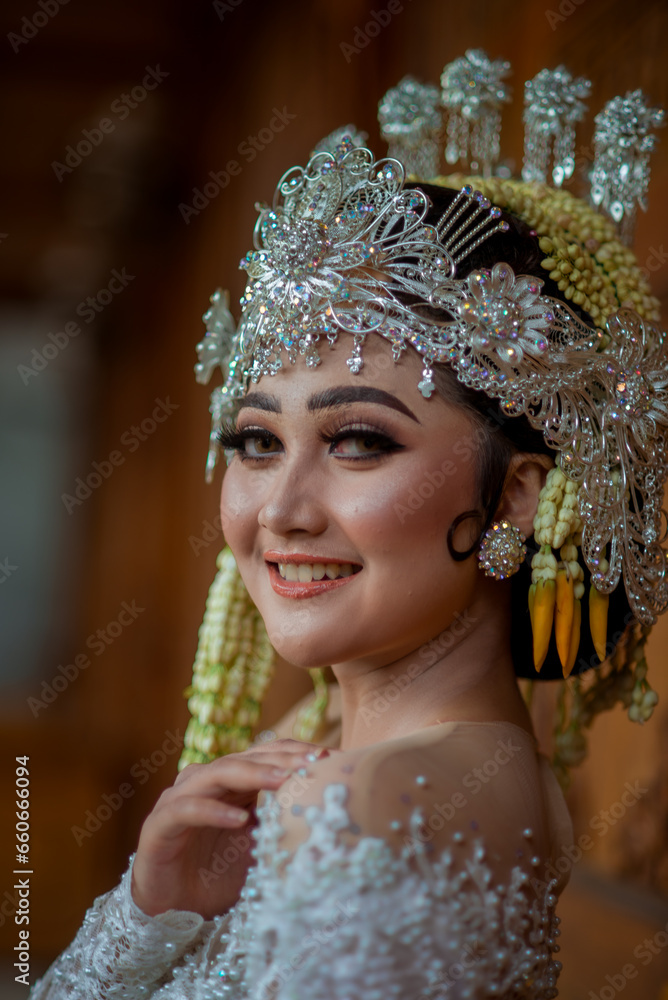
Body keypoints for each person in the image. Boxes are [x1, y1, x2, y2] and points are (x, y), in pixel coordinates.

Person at [30, 57, 667, 1000]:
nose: (281, 511)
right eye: (254, 440)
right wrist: (154, 911)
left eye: (361, 440)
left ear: (521, 494)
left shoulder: (367, 805)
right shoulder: (384, 762)